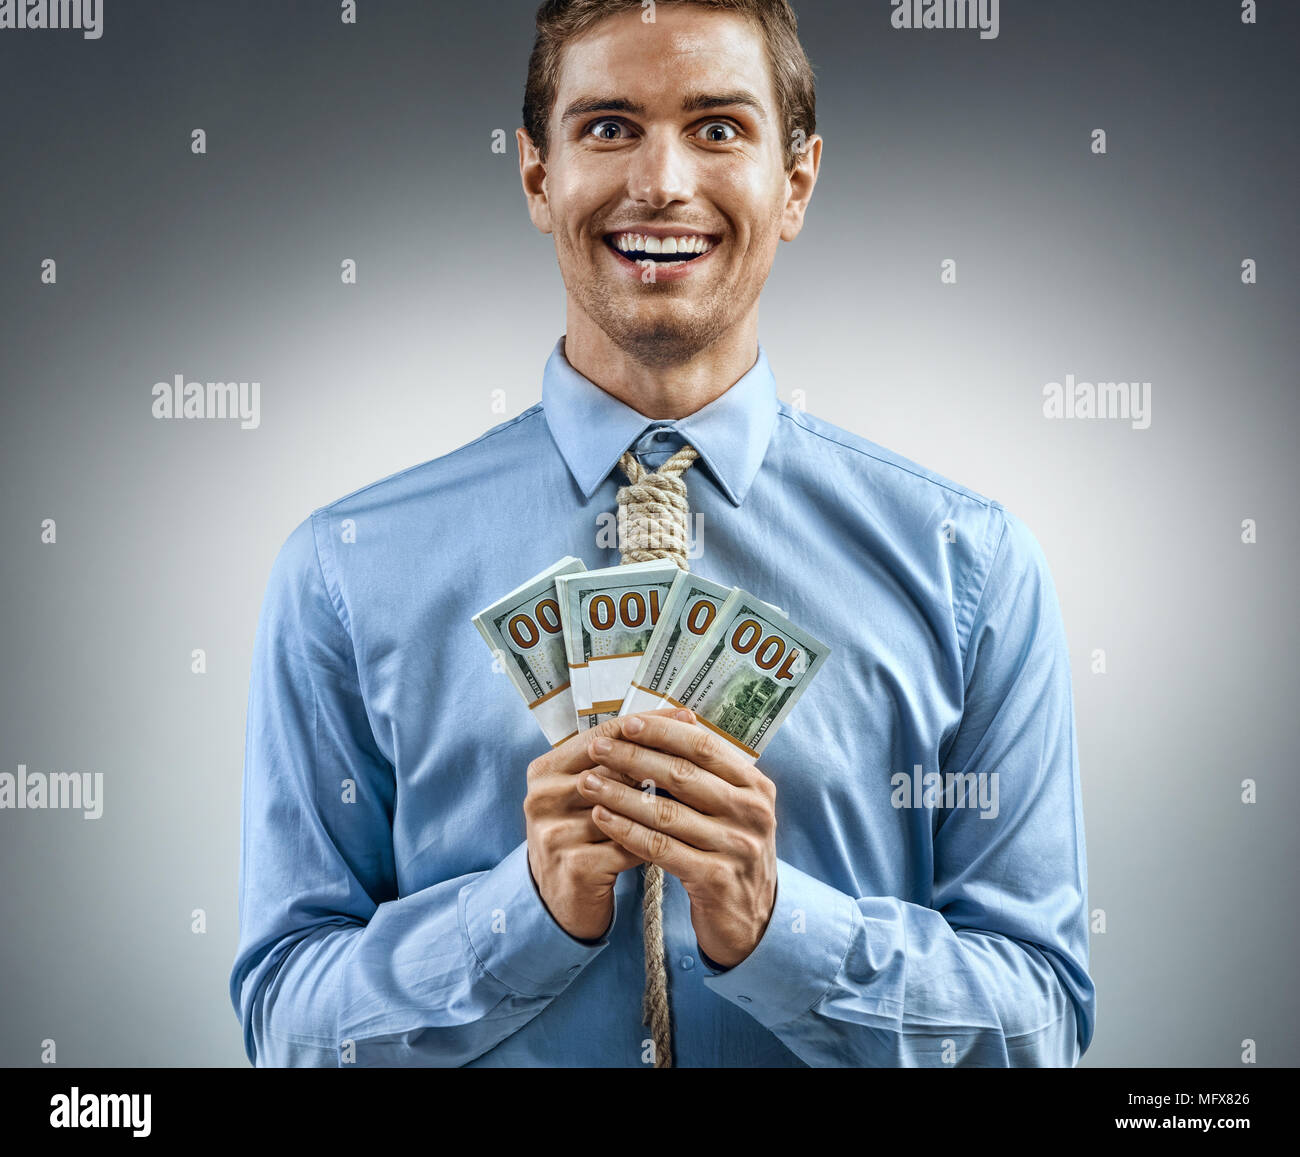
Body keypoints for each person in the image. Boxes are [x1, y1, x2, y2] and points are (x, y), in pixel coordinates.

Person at [229, 0, 1095, 1067]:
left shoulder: (972, 564)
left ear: (797, 183)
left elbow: (1040, 1023)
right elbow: (285, 1025)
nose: (662, 184)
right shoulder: (341, 572)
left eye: (719, 127)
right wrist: (521, 914)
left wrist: (780, 926)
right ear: (539, 178)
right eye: (608, 127)